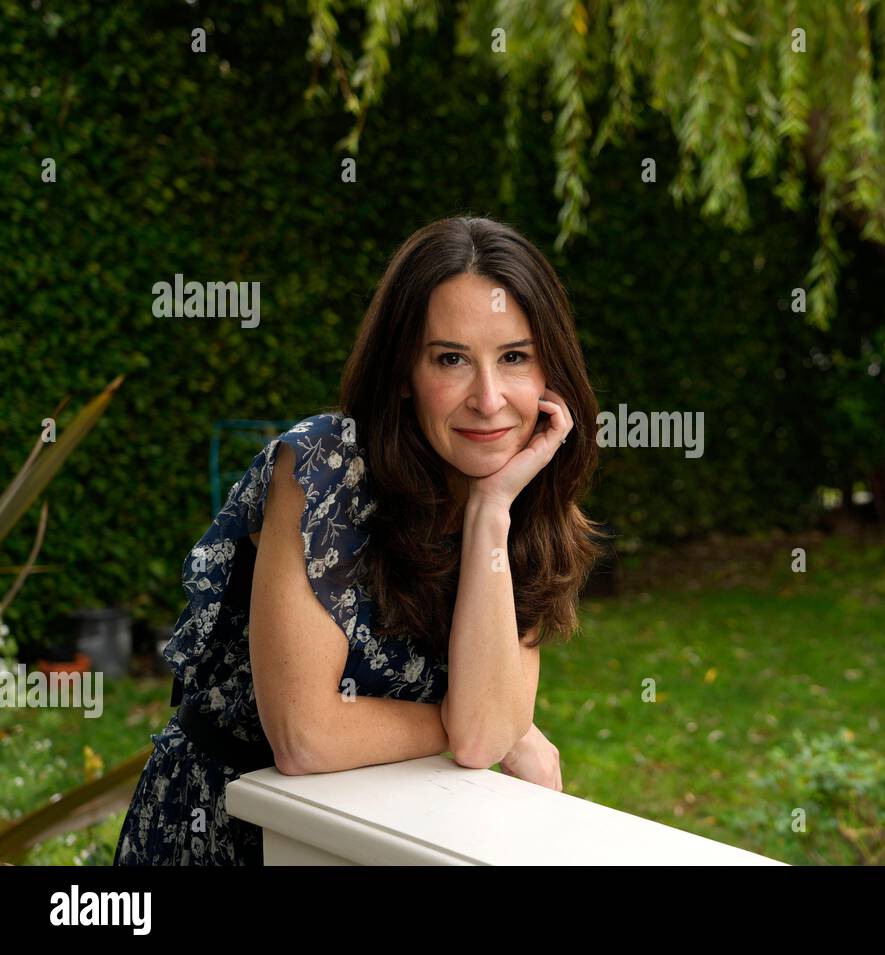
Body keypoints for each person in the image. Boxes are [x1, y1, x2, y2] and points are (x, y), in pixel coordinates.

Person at [114, 215, 608, 864]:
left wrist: (491, 511)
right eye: (451, 358)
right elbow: (306, 736)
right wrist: (482, 726)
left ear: (550, 372)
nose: (489, 399)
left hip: (388, 821)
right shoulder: (323, 470)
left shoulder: (524, 502)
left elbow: (483, 731)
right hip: (233, 830)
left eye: (513, 356)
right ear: (403, 371)